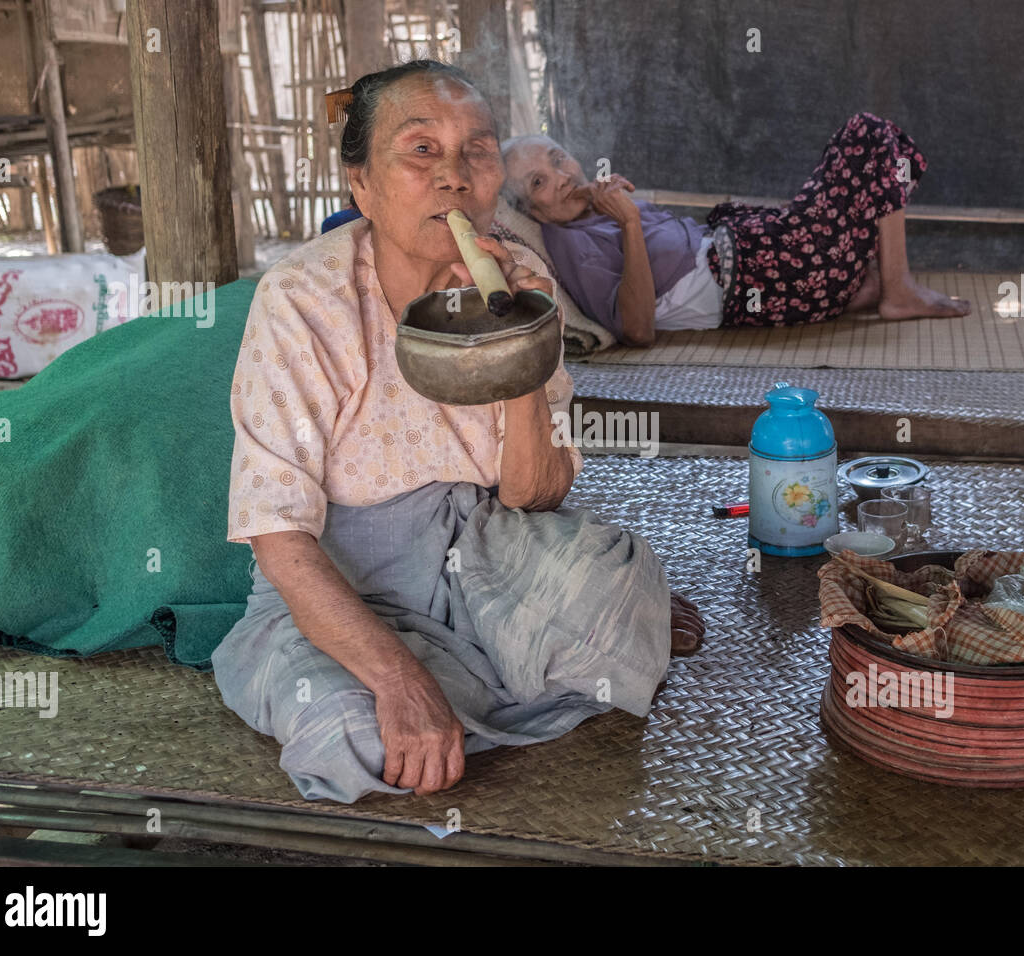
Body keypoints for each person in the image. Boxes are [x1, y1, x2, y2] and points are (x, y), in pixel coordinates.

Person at [213, 59, 705, 804]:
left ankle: (491, 675)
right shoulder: (303, 300)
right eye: (421, 151)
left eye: (476, 152)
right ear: (361, 186)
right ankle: (442, 679)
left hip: (483, 551)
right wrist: (398, 678)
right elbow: (278, 536)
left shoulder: (524, 275)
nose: (454, 177)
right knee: (354, 733)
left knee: (616, 585)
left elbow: (533, 499)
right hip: (335, 579)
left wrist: (527, 347)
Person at [501, 114, 971, 347]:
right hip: (754, 276)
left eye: (558, 158)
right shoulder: (570, 245)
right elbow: (639, 330)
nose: (562, 177)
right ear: (531, 210)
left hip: (751, 247)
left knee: (884, 154)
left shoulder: (592, 208)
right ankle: (896, 289)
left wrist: (623, 212)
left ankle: (877, 286)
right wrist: (627, 222)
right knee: (867, 134)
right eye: (539, 182)